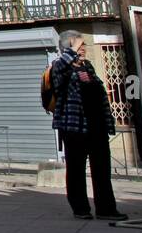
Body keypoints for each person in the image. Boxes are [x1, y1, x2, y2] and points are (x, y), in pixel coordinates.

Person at [48, 34, 127, 221]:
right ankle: (80, 208)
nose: (84, 48)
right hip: (74, 127)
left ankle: (106, 208)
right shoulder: (59, 68)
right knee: (76, 168)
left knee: (102, 168)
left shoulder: (87, 66)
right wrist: (72, 49)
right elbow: (61, 66)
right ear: (70, 47)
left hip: (96, 126)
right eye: (81, 45)